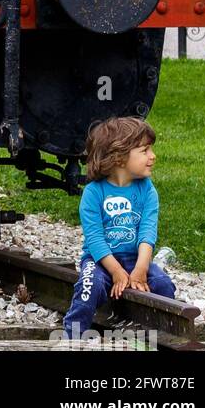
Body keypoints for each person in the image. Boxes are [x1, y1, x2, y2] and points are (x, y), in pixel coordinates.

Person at [60, 115, 176, 339]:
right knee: (89, 286)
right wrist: (115, 271)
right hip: (101, 260)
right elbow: (95, 239)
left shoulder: (147, 190)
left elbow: (147, 232)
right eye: (145, 150)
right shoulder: (94, 192)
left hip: (136, 258)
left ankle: (157, 336)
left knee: (163, 285)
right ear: (119, 157)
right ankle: (72, 336)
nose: (153, 156)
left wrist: (141, 268)